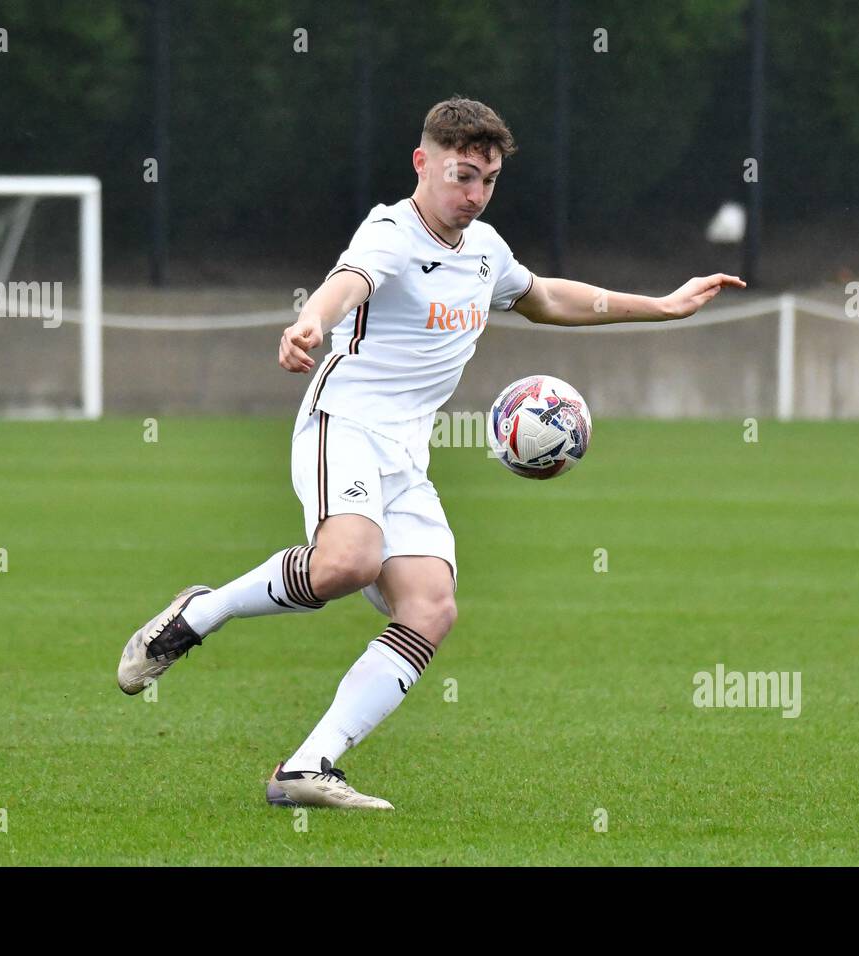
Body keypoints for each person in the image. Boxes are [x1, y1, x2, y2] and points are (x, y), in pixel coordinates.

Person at [116, 96, 745, 809]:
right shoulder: (391, 231)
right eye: (462, 175)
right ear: (424, 163)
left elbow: (544, 298)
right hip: (342, 425)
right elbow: (347, 282)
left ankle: (307, 766)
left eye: (488, 180)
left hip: (405, 455)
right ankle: (202, 611)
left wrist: (662, 305)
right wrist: (309, 322)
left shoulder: (484, 251)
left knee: (430, 606)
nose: (474, 195)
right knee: (345, 565)